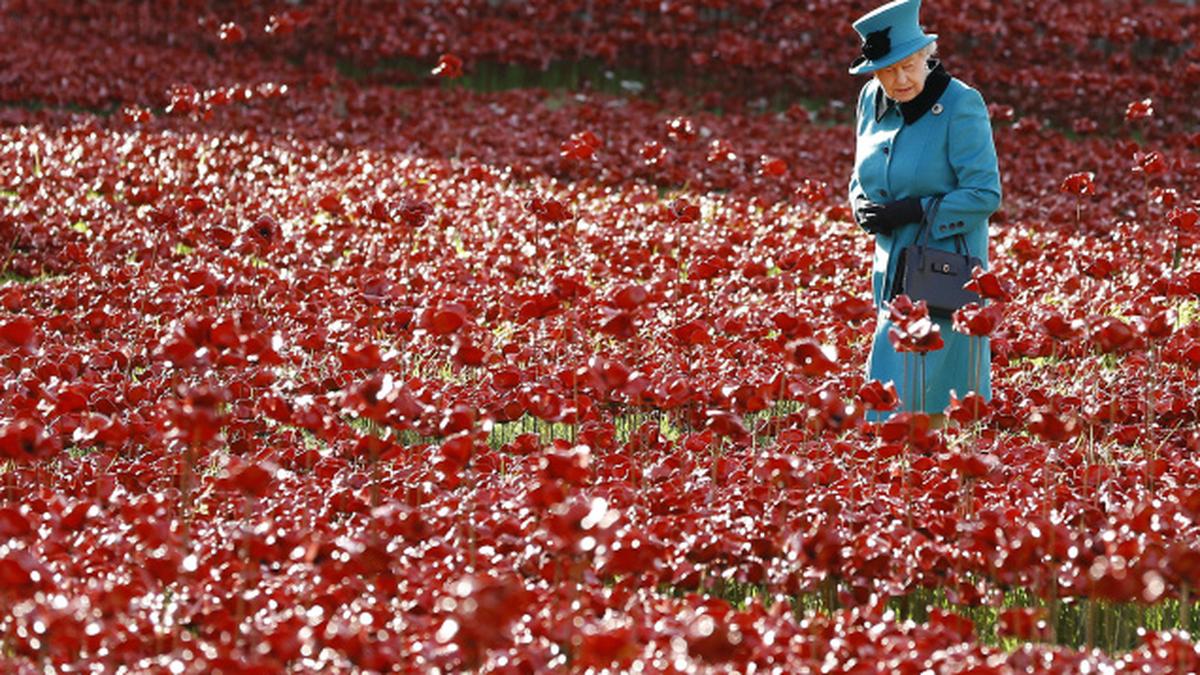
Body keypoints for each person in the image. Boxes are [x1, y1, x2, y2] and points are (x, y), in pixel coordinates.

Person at [846, 0, 1002, 424]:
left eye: (908, 66)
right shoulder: (870, 99)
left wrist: (916, 209)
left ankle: (925, 480)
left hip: (943, 272)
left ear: (926, 58)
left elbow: (985, 194)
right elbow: (862, 173)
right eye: (887, 70)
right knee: (892, 393)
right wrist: (860, 203)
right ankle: (901, 482)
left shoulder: (960, 105)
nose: (899, 79)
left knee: (927, 396)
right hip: (891, 268)